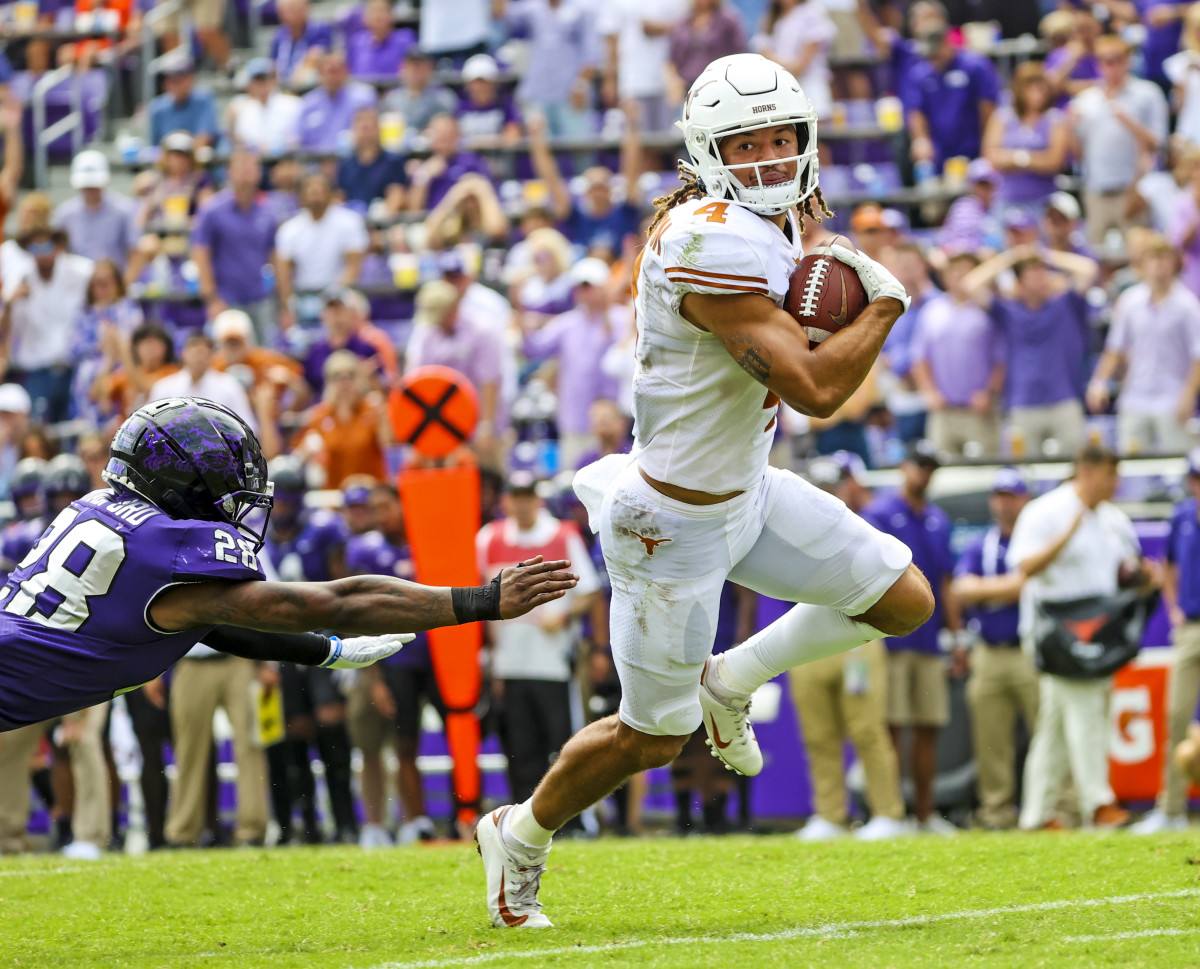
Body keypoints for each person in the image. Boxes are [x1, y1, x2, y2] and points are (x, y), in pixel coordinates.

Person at [474, 53, 930, 929]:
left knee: (903, 600)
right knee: (651, 737)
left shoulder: (786, 220)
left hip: (746, 491)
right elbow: (815, 390)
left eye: (778, 138)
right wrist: (881, 307)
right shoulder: (701, 237)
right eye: (743, 142)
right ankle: (520, 832)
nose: (765, 158)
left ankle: (733, 678)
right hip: (671, 523)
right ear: (705, 152)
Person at [0, 397, 578, 737]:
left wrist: (322, 651)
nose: (236, 493)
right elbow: (331, 602)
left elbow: (213, 620)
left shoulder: (102, 511)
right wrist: (479, 601)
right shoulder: (163, 546)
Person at [1008, 445, 1147, 830]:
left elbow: (1122, 569)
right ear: (1085, 471)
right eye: (1109, 474)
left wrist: (1140, 575)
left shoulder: (1113, 518)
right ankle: (1099, 804)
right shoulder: (1046, 510)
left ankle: (1035, 815)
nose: (1115, 482)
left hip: (1100, 625)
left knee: (1054, 727)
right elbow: (1026, 567)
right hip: (1056, 629)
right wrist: (1067, 534)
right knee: (1087, 710)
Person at [792, 454, 908, 841]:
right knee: (818, 733)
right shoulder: (790, 531)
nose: (826, 495)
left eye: (833, 487)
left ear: (848, 489)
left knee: (867, 729)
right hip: (807, 637)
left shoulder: (867, 529)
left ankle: (888, 812)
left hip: (857, 638)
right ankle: (831, 815)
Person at [478, 474, 600, 808]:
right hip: (511, 662)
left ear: (537, 500)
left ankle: (568, 817)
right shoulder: (489, 538)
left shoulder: (562, 535)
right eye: (515, 497)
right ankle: (524, 817)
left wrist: (563, 617)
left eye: (527, 496)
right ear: (506, 501)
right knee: (520, 748)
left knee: (561, 742)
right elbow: (480, 600)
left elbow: (588, 589)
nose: (521, 504)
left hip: (554, 661)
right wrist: (493, 661)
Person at [861, 441, 963, 833]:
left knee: (928, 727)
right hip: (889, 640)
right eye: (919, 464)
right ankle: (891, 814)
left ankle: (923, 815)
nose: (924, 472)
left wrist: (955, 638)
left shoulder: (937, 519)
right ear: (904, 467)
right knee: (890, 728)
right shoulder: (881, 513)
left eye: (930, 466)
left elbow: (947, 583)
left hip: (927, 642)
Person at [259, 456, 359, 844]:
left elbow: (345, 586)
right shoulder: (259, 535)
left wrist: (345, 644)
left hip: (323, 641)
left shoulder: (323, 530)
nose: (282, 506)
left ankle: (345, 823)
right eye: (277, 499)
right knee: (292, 734)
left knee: (332, 728)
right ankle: (307, 826)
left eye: (288, 498)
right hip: (281, 646)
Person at [345, 483, 442, 845]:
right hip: (395, 657)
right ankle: (414, 818)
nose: (382, 515)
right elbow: (360, 617)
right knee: (404, 743)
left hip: (437, 656)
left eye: (388, 506)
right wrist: (374, 677)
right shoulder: (365, 550)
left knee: (459, 730)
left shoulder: (427, 542)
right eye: (376, 508)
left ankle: (464, 811)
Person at [951, 468, 1037, 830]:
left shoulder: (1035, 541)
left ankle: (1047, 809)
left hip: (1029, 650)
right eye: (999, 496)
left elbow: (1028, 584)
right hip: (989, 651)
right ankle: (996, 811)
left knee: (1045, 733)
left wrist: (988, 591)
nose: (1004, 504)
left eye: (1011, 496)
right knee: (991, 740)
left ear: (1025, 500)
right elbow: (961, 589)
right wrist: (1010, 588)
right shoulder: (980, 544)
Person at [966, 245, 1098, 457]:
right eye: (1033, 273)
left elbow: (1089, 269)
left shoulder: (1064, 304)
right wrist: (1010, 257)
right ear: (1020, 281)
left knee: (1074, 462)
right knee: (1024, 469)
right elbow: (971, 285)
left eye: (1042, 271)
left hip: (1064, 398)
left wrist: (1047, 254)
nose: (1041, 277)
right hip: (1023, 402)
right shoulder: (1008, 312)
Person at [1133, 450, 1200, 833]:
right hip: (1191, 627)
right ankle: (1171, 808)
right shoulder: (1182, 517)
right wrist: (1174, 608)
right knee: (1177, 715)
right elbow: (1169, 568)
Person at [1088, 235, 1200, 455]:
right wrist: (1099, 381)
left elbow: (1198, 355)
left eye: (1163, 258)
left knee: (1175, 462)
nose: (1158, 265)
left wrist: (1188, 396)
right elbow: (1114, 348)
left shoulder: (1187, 305)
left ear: (1174, 263)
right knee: (1130, 462)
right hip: (1135, 397)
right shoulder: (1130, 302)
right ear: (1143, 264)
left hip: (1172, 398)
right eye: (1153, 258)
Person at [521, 258, 627, 469]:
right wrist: (527, 327)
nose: (584, 293)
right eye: (580, 287)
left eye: (589, 286)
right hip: (575, 421)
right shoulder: (567, 323)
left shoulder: (623, 319)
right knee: (573, 483)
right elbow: (535, 349)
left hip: (612, 425)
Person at [1070, 35, 1169, 249]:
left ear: (1128, 61)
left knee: (1139, 256)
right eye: (1104, 60)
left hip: (1132, 189)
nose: (1110, 66)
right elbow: (1077, 154)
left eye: (1116, 59)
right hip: (1096, 190)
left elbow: (1158, 144)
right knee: (1097, 256)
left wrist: (1129, 122)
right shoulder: (1086, 101)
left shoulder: (1148, 94)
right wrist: (1071, 129)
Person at [910, 252, 1005, 457]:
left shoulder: (988, 309)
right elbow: (919, 358)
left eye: (967, 272)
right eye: (955, 272)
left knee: (986, 466)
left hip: (979, 409)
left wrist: (988, 393)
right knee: (943, 469)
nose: (960, 277)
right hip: (944, 410)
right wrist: (929, 393)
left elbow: (1001, 359)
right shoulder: (932, 311)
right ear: (945, 277)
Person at [0, 225, 93, 424]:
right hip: (37, 371)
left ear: (57, 247)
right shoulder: (19, 279)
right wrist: (8, 305)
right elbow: (4, 332)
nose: (42, 254)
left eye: (47, 247)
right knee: (37, 428)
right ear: (28, 251)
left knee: (74, 427)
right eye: (36, 249)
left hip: (73, 368)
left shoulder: (81, 271)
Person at [190, 150, 280, 345]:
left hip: (259, 297)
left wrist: (283, 302)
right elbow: (200, 254)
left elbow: (275, 256)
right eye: (241, 168)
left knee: (263, 354)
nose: (247, 173)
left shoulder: (267, 212)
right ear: (229, 172)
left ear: (259, 174)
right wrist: (212, 299)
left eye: (251, 168)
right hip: (226, 298)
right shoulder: (212, 211)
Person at [902, 6, 1000, 172]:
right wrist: (920, 139)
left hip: (973, 150)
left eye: (937, 54)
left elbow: (988, 107)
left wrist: (988, 145)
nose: (935, 59)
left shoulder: (975, 66)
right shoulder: (920, 73)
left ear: (947, 41)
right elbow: (915, 110)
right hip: (938, 154)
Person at [275, 173, 369, 330]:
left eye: (319, 187)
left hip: (341, 297)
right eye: (310, 188)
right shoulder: (289, 230)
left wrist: (331, 298)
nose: (314, 191)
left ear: (330, 193)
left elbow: (353, 268)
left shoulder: (349, 222)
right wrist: (288, 307)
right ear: (301, 196)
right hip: (304, 302)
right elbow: (284, 275)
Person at [498, 0, 600, 139]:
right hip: (538, 92)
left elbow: (591, 54)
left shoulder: (582, 9)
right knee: (540, 150)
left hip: (570, 94)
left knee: (581, 149)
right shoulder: (532, 8)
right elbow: (502, 14)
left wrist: (581, 86)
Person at [982, 61, 1070, 215]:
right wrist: (1036, 159)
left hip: (1044, 203)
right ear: (1019, 90)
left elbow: (1055, 161)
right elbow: (991, 158)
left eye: (1041, 89)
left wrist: (1015, 158)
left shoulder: (1055, 119)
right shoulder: (1002, 117)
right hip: (1008, 201)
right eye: (1031, 89)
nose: (1037, 94)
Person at [295, 350, 389, 487]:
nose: (344, 382)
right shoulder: (319, 416)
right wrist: (307, 454)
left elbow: (388, 444)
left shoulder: (372, 411)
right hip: (333, 497)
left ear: (359, 379)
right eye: (337, 376)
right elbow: (300, 455)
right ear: (328, 382)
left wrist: (383, 415)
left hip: (370, 494)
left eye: (350, 376)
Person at [53, 150, 139, 269]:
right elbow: (60, 251)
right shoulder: (64, 214)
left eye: (94, 186)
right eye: (86, 187)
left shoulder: (124, 210)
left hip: (115, 280)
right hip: (78, 281)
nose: (90, 190)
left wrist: (123, 284)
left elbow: (134, 249)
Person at [752, 0, 834, 120]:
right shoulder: (769, 16)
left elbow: (803, 62)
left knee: (817, 133)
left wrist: (780, 67)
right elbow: (762, 52)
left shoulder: (813, 11)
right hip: (779, 90)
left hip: (810, 86)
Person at [298, 51, 379, 154]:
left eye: (338, 71)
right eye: (330, 72)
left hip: (354, 163)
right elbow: (298, 141)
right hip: (314, 165)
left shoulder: (364, 98)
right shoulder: (308, 103)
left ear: (346, 71)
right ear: (320, 73)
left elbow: (372, 138)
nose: (334, 77)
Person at [336, 108, 409, 215]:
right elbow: (339, 197)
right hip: (352, 220)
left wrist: (379, 222)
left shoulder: (393, 162)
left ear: (378, 129)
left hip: (381, 220)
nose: (365, 131)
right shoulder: (345, 165)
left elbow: (396, 195)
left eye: (369, 127)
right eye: (361, 126)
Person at [225, 58, 302, 158]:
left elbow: (298, 139)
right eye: (257, 80)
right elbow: (243, 143)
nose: (261, 85)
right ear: (250, 84)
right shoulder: (243, 109)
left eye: (265, 79)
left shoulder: (292, 104)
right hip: (257, 163)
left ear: (273, 80)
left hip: (286, 160)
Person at [380, 48, 458, 139]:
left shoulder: (443, 98)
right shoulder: (392, 98)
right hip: (398, 149)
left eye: (419, 66)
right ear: (402, 67)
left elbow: (448, 130)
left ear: (429, 68)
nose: (414, 70)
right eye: (410, 65)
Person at [147, 54, 219, 148]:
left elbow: (204, 138)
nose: (176, 85)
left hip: (198, 160)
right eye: (172, 81)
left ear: (191, 79)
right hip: (169, 160)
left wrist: (182, 156)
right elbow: (155, 147)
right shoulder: (157, 108)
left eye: (180, 80)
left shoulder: (204, 99)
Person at [347, 0, 415, 79]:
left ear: (392, 15)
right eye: (373, 11)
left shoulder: (405, 39)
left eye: (382, 11)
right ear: (364, 18)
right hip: (363, 88)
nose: (378, 16)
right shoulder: (357, 42)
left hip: (397, 89)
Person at [270, 0, 332, 86]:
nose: (292, 15)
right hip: (283, 85)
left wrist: (296, 80)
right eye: (288, 10)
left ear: (306, 9)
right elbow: (273, 63)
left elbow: (316, 55)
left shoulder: (319, 29)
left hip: (310, 84)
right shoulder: (279, 35)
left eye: (295, 9)